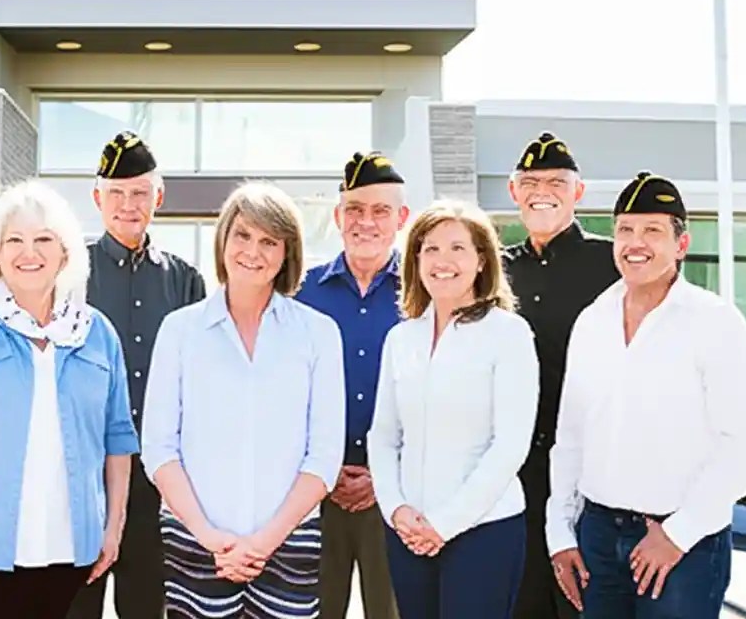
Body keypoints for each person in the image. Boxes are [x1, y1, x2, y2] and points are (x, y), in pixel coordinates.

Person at [546, 172, 746, 619]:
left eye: (653, 230)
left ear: (682, 244)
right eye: (626, 230)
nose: (636, 242)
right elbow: (571, 437)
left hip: (681, 545)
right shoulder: (592, 321)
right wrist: (561, 535)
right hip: (596, 537)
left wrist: (677, 534)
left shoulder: (715, 322)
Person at [0, 179, 139, 618]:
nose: (27, 252)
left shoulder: (97, 334)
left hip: (71, 556)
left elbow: (117, 439)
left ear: (65, 253)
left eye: (43, 240)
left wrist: (113, 528)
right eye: (13, 240)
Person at [141, 181, 346, 618]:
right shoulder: (179, 331)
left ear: (287, 253)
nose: (253, 251)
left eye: (269, 241)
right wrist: (210, 537)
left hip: (289, 544)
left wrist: (264, 541)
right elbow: (159, 448)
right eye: (243, 235)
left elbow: (325, 455)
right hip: (195, 544)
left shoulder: (318, 333)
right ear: (223, 239)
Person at [367, 199, 539, 619]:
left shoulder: (508, 334)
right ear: (416, 260)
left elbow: (510, 446)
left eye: (457, 248)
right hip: (408, 531)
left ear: (482, 261)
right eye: (431, 249)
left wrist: (444, 525)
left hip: (484, 531)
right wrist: (396, 509)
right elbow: (384, 436)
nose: (443, 261)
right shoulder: (401, 339)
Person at [68, 129, 206, 619]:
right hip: (81, 475)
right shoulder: (67, 272)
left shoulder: (185, 279)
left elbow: (199, 384)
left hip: (154, 481)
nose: (128, 204)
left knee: (147, 608)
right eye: (117, 193)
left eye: (140, 192)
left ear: (159, 197)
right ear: (97, 198)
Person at [500, 132, 618, 619]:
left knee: (583, 603)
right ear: (513, 192)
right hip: (514, 471)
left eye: (555, 181)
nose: (540, 190)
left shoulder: (611, 264)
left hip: (590, 472)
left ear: (578, 192)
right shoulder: (496, 270)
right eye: (529, 181)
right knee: (521, 602)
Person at [295, 151, 406, 619]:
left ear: (401, 218)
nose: (367, 222)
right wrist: (323, 471)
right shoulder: (302, 291)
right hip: (313, 494)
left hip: (397, 493)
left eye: (380, 211)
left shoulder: (426, 291)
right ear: (339, 216)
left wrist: (384, 478)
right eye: (356, 210)